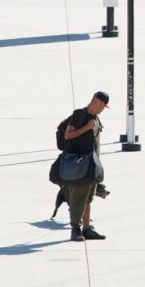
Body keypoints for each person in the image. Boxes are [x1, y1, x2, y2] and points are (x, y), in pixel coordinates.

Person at [63, 91, 110, 242]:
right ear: (98, 102)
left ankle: (87, 228)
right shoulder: (80, 115)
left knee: (88, 198)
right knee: (78, 197)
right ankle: (75, 229)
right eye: (103, 105)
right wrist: (87, 127)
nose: (103, 109)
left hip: (90, 164)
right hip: (79, 164)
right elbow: (68, 135)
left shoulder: (95, 117)